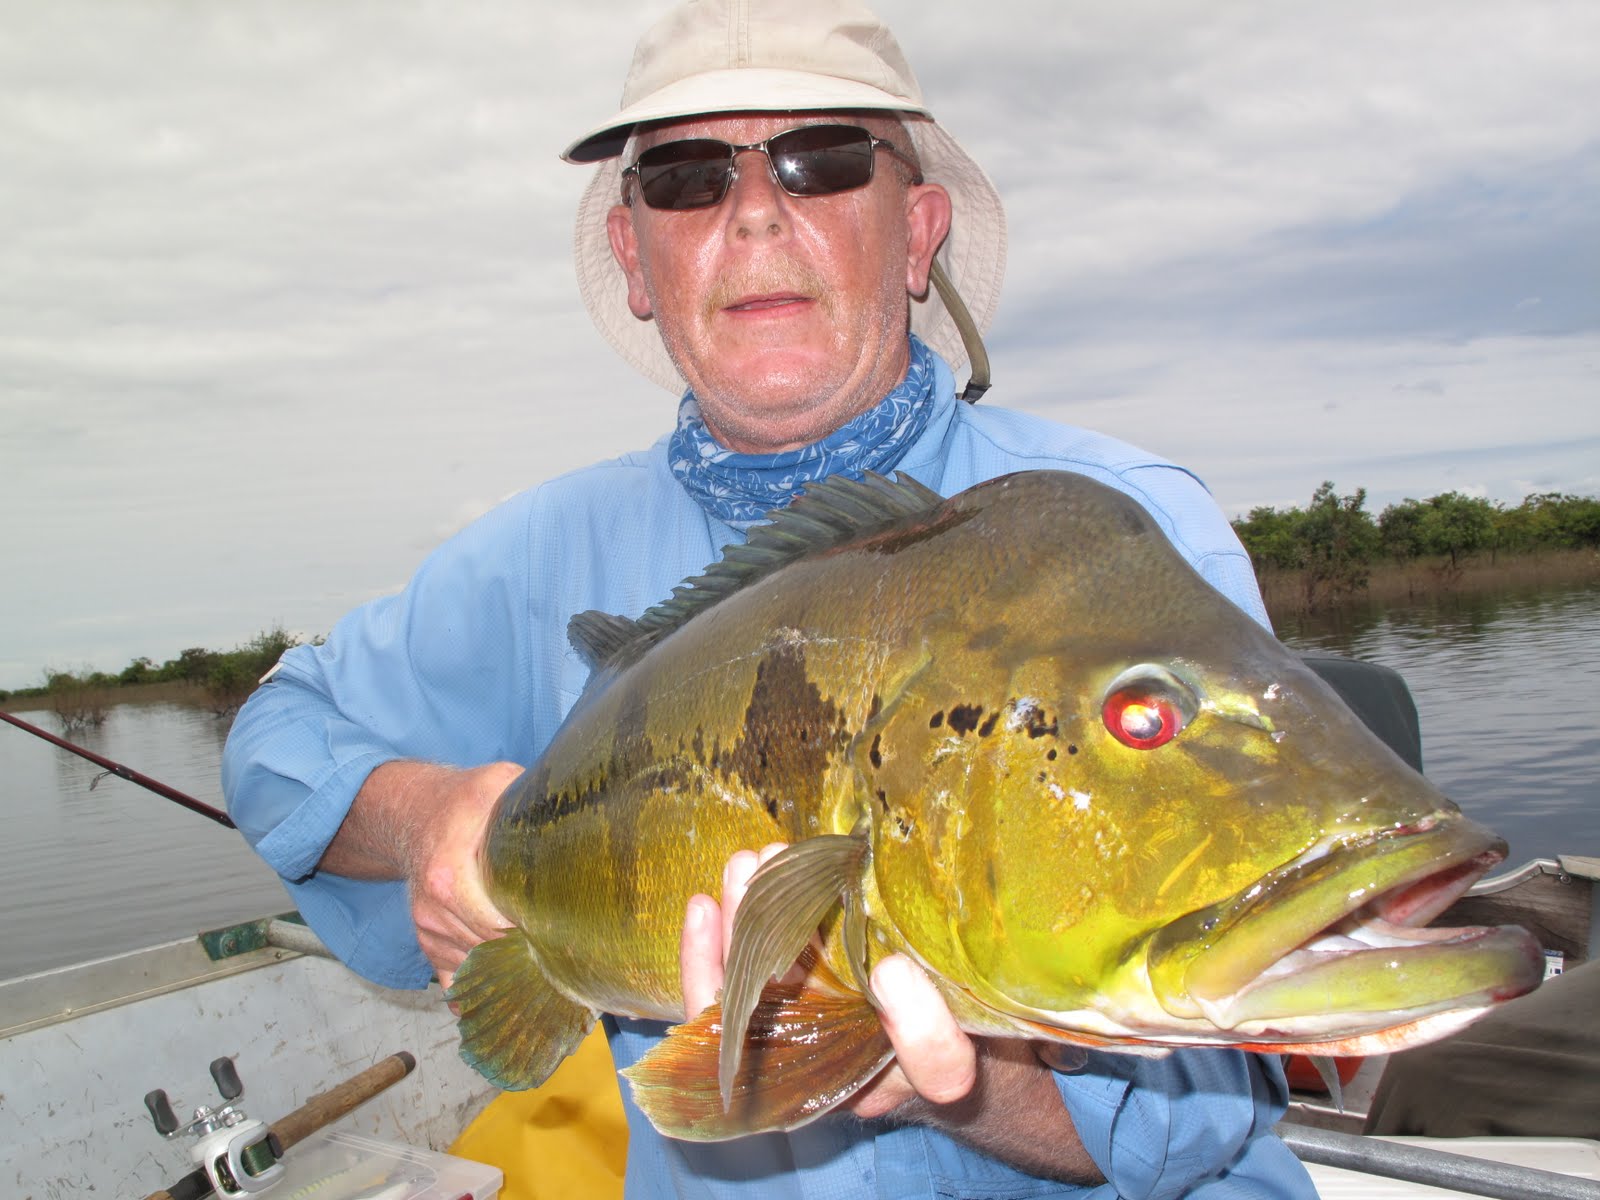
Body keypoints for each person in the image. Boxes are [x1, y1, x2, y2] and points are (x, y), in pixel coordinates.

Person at [223, 1, 1317, 1195]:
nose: (753, 211)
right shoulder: (545, 552)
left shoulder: (1112, 531)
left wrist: (939, 1081)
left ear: (918, 233)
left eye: (823, 159)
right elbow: (278, 739)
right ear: (636, 260)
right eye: (687, 177)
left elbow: (1199, 1129)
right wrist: (428, 817)